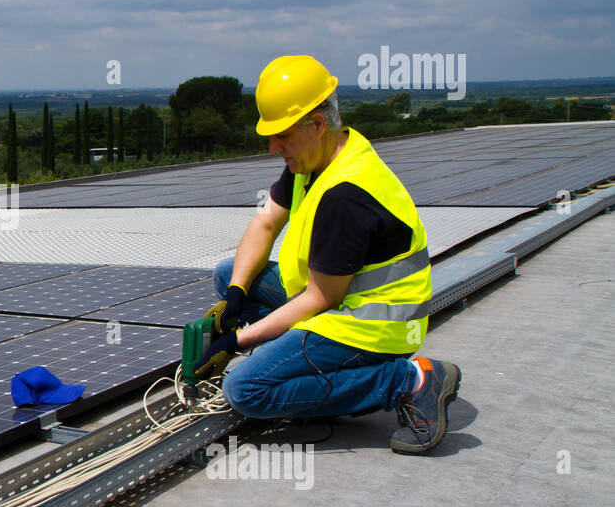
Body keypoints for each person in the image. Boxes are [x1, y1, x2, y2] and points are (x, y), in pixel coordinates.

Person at [194, 55, 461, 454]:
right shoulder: (316, 158)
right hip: (340, 297)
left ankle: (410, 382)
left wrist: (236, 341)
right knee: (229, 272)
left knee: (245, 389)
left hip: (371, 323)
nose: (273, 147)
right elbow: (266, 224)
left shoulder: (346, 194)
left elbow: (322, 298)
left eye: (281, 134)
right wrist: (234, 294)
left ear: (317, 124)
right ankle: (312, 378)